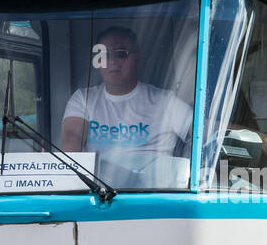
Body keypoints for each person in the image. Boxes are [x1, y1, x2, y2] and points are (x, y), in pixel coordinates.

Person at [59, 26, 193, 158]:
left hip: (155, 173)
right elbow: (72, 138)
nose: (112, 61)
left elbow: (201, 133)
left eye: (121, 54)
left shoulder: (164, 101)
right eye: (104, 55)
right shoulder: (83, 99)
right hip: (96, 174)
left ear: (137, 59)